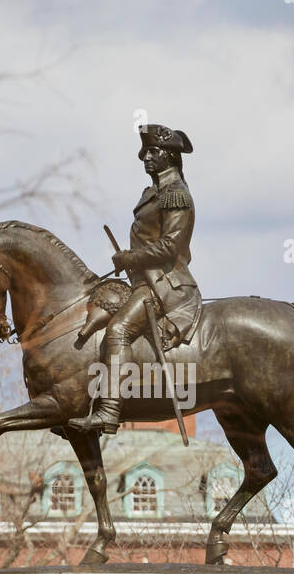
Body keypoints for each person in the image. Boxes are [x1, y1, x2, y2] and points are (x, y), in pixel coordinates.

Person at [68, 124, 202, 434]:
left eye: (153, 152)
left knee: (118, 329)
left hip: (166, 285)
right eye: (144, 152)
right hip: (146, 281)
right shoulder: (155, 192)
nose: (145, 157)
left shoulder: (175, 195)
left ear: (169, 156)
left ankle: (109, 412)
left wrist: (130, 258)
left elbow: (172, 247)